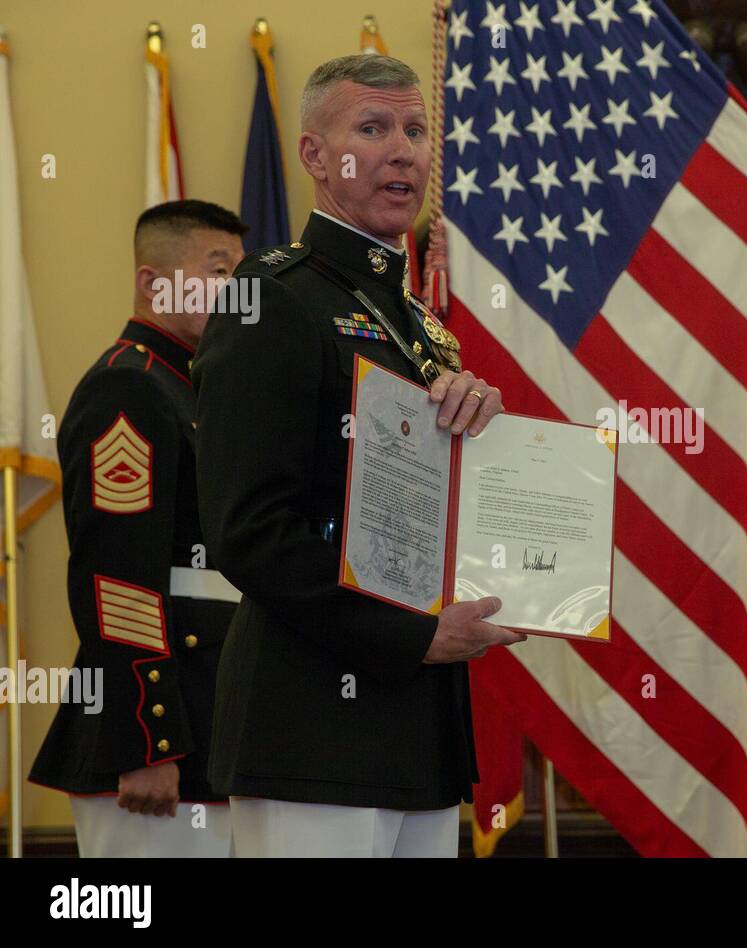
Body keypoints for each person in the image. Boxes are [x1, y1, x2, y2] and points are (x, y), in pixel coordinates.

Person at [192, 54, 523, 858]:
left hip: (421, 734)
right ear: (314, 156)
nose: (402, 150)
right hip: (311, 730)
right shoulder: (272, 298)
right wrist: (406, 636)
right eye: (371, 129)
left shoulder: (419, 325)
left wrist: (483, 437)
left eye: (414, 129)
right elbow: (249, 529)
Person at [29, 200, 247, 857]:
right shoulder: (128, 390)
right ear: (155, 284)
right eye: (220, 271)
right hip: (160, 746)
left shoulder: (189, 389)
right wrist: (147, 740)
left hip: (214, 726)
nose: (241, 293)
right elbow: (118, 577)